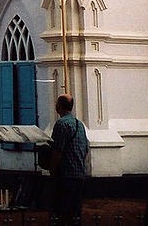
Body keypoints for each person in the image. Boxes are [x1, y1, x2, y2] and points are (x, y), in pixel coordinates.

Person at [50, 93, 89, 225]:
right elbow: (86, 148)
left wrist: (53, 169)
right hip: (79, 173)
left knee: (63, 212)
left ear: (59, 106)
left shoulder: (61, 124)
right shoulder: (80, 124)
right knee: (75, 212)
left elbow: (57, 151)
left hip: (66, 175)